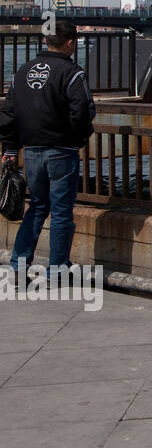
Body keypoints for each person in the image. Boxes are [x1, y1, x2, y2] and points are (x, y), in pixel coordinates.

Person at [0, 20, 96, 279]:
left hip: (31, 150)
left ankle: (18, 268)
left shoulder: (22, 71)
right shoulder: (72, 72)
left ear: (45, 41)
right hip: (61, 150)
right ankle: (58, 270)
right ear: (70, 43)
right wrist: (78, 139)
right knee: (61, 210)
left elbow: (8, 113)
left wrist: (10, 149)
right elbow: (82, 111)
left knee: (37, 206)